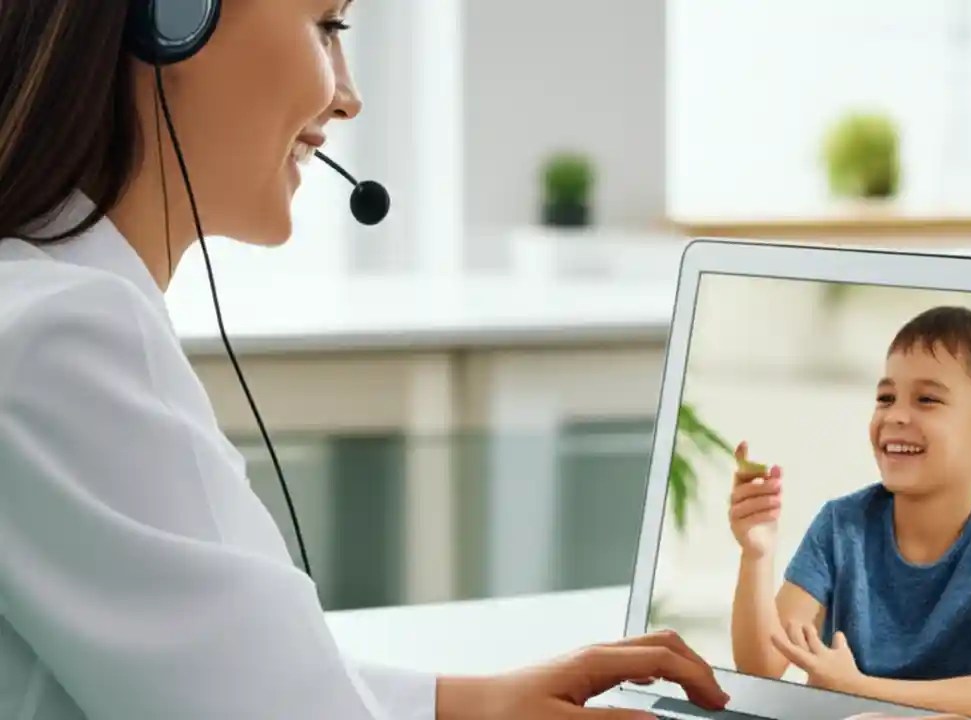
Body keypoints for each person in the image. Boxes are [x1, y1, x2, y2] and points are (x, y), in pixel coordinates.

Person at [0, 3, 729, 718]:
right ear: (173, 18)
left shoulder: (41, 305)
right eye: (327, 27)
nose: (348, 97)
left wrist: (471, 704)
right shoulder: (66, 339)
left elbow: (237, 678)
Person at [728, 306, 971, 720]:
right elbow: (761, 665)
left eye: (927, 399)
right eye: (886, 397)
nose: (895, 415)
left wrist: (860, 688)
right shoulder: (841, 525)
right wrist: (756, 554)